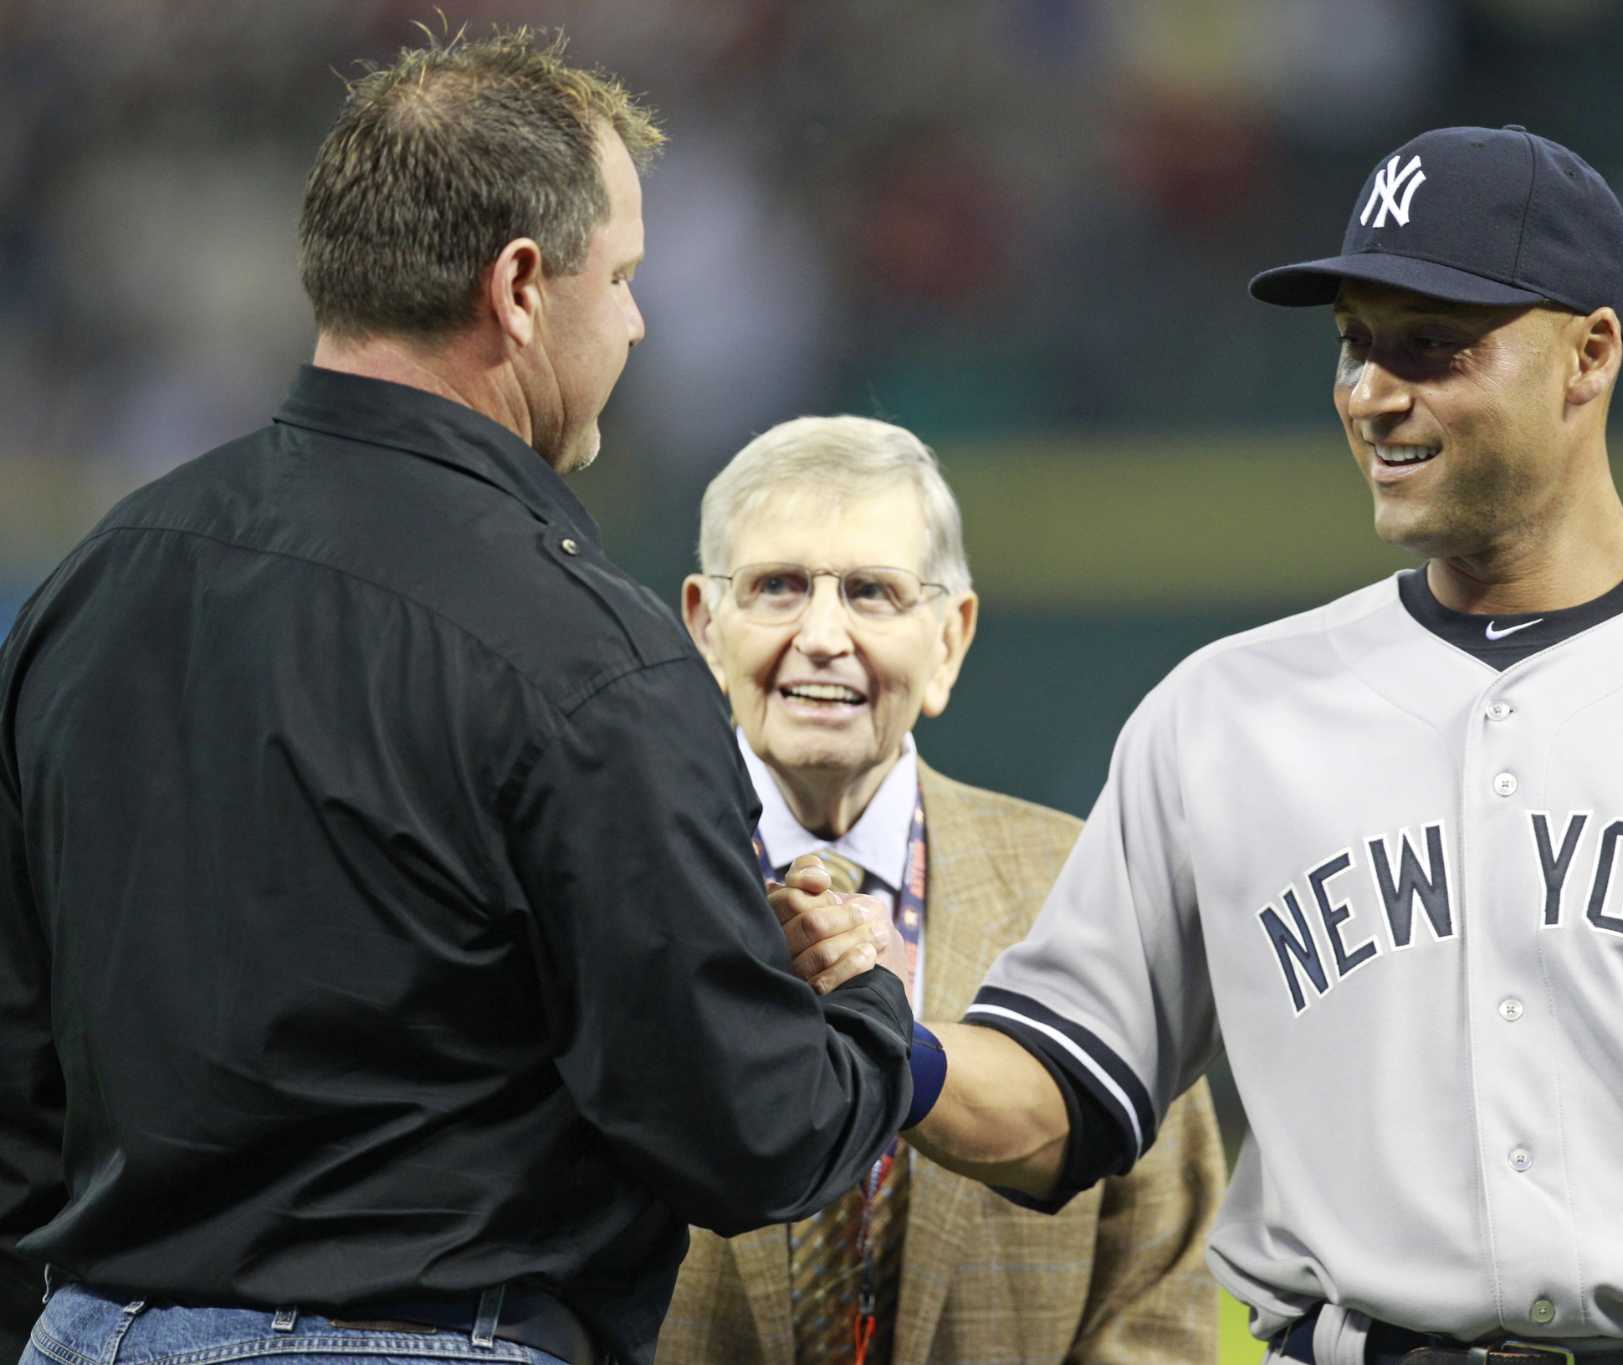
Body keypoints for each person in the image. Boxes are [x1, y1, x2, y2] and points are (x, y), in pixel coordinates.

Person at [795, 126, 1623, 1364]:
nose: (1371, 392)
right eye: (1355, 343)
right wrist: (884, 1044)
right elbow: (1061, 1097)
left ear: (1588, 355)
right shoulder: (1218, 716)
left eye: (1432, 346)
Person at [0, 28, 938, 1365]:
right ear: (519, 288)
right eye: (621, 277)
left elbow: (19, 1086)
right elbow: (750, 1134)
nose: (636, 320)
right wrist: (864, 1013)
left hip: (89, 1330)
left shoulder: (102, 578)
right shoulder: (580, 647)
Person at [662, 415, 1225, 1364]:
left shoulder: (1086, 882)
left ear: (950, 639)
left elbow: (1159, 1289)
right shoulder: (613, 874)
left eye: (872, 592)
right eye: (778, 586)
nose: (822, 636)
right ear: (707, 627)